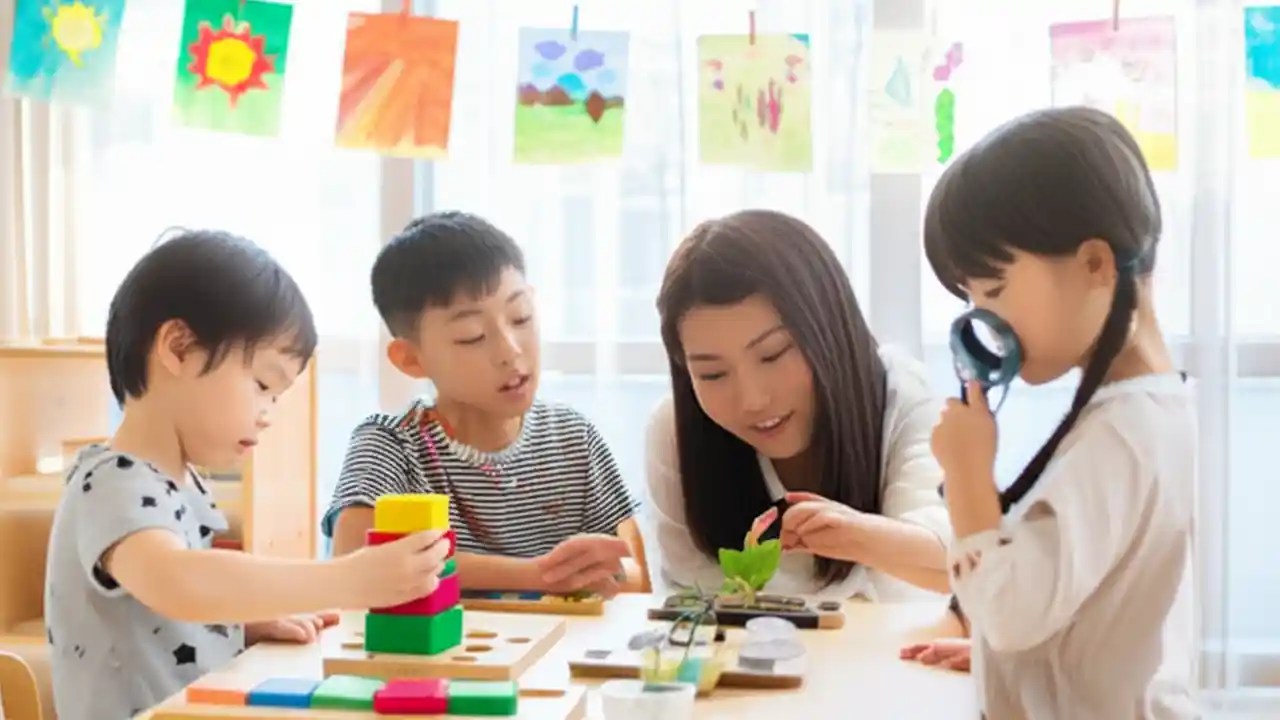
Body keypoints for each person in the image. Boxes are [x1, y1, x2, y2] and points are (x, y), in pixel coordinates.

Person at [44, 230, 452, 720]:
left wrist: (238, 626)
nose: (268, 413)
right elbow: (177, 581)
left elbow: (159, 615)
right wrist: (348, 578)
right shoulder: (112, 480)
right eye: (262, 385)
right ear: (178, 347)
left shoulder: (179, 483)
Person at [911, 106, 1196, 717]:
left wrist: (966, 475)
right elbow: (1093, 595)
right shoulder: (1159, 405)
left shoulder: (1120, 432)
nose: (982, 317)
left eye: (993, 290)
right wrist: (1017, 660)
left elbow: (1013, 613)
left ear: (1095, 264)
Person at [323, 211, 649, 596]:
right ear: (411, 359)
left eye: (521, 317)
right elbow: (355, 557)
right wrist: (535, 576)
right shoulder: (393, 444)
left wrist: (609, 578)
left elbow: (635, 575)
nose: (510, 352)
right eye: (472, 336)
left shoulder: (573, 439)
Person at [646, 209, 952, 601]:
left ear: (828, 329)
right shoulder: (675, 431)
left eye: (773, 355)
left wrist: (858, 535)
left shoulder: (899, 396)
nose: (753, 399)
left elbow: (953, 551)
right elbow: (692, 602)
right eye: (712, 375)